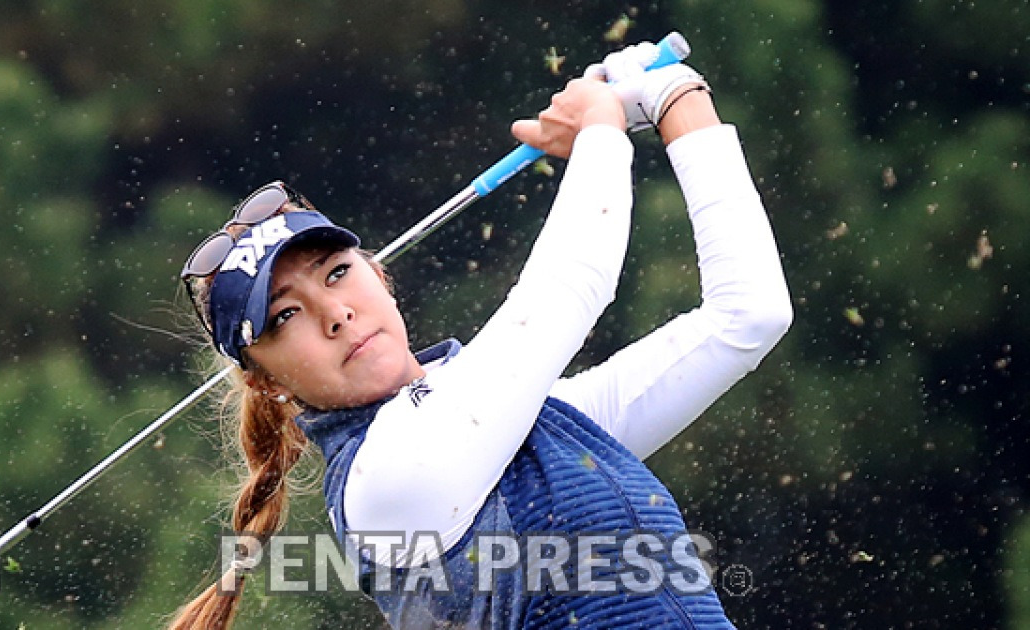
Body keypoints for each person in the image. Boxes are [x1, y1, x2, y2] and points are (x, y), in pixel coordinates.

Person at [168, 39, 792, 630]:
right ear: (267, 381)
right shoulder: (384, 486)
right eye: (285, 316)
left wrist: (676, 99)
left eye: (337, 273)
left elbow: (748, 316)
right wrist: (601, 127)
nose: (335, 314)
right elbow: (568, 288)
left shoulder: (544, 423)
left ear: (380, 277)